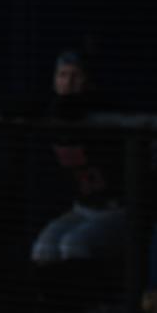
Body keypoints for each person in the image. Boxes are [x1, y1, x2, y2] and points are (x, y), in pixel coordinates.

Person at [29, 50, 120, 266]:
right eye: (62, 75)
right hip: (82, 208)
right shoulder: (51, 115)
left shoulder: (104, 113)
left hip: (115, 210)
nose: (68, 82)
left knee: (73, 244)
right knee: (43, 248)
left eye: (75, 76)